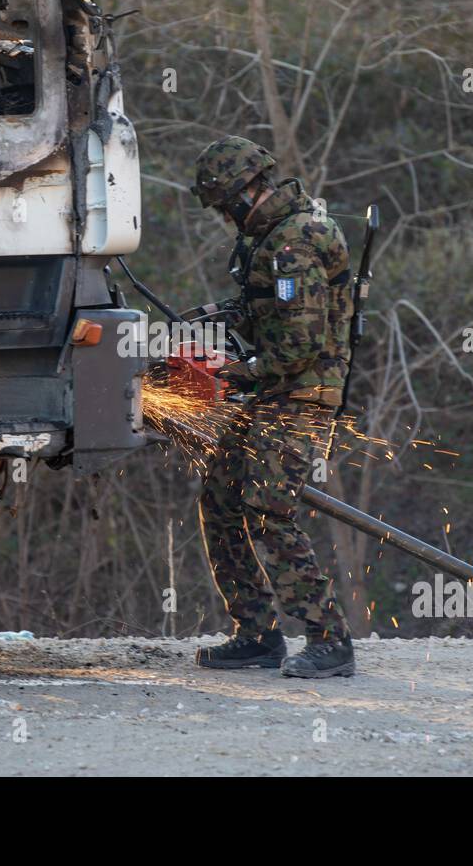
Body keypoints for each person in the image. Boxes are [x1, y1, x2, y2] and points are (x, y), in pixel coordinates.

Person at [189, 135, 356, 678]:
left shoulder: (293, 243)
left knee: (267, 509)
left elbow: (298, 346)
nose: (224, 218)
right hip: (273, 395)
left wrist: (227, 374)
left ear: (242, 193)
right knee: (220, 501)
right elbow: (267, 310)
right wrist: (215, 317)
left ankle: (330, 641)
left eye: (223, 206)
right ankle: (258, 635)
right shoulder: (275, 238)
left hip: (299, 398)